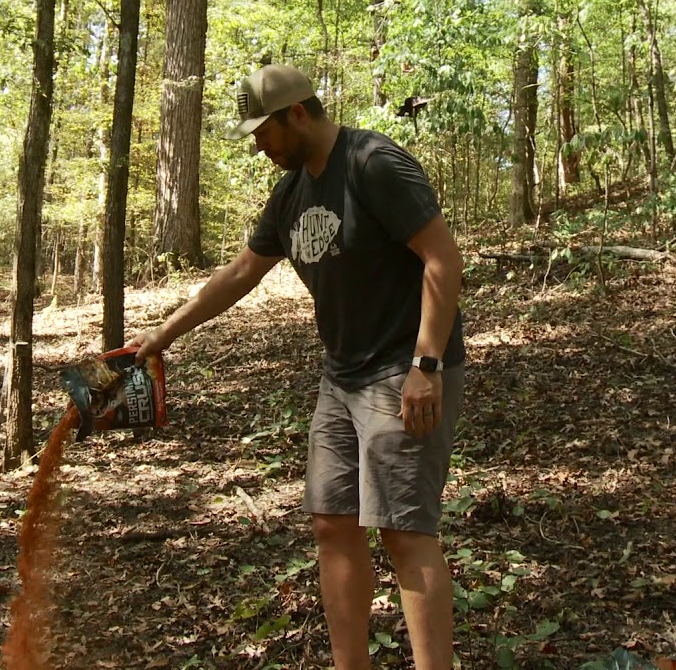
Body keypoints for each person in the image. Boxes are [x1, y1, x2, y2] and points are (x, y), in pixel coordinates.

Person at [130, 64, 465, 670]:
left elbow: (442, 256)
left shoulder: (372, 164)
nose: (260, 147)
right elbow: (240, 273)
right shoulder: (291, 194)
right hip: (341, 378)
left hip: (402, 369)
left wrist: (427, 363)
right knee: (332, 524)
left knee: (404, 531)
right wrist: (163, 335)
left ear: (299, 114)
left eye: (265, 132)